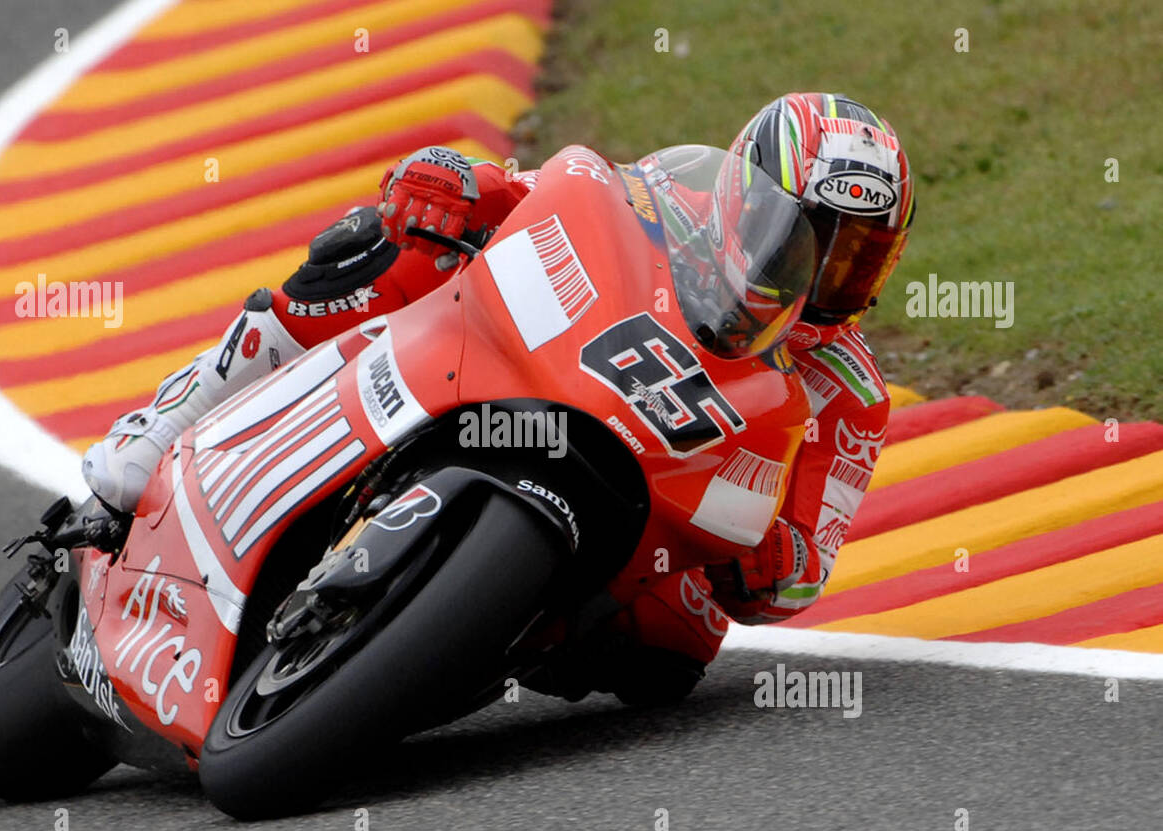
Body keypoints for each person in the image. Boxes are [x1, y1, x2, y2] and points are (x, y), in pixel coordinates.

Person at [82, 92, 915, 704]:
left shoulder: (851, 392)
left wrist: (772, 559)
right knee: (382, 243)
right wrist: (462, 184)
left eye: (858, 262)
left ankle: (434, 657)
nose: (827, 276)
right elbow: (545, 196)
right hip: (534, 369)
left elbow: (807, 566)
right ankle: (171, 420)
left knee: (675, 651)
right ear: (745, 196)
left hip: (656, 513)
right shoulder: (677, 197)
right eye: (812, 241)